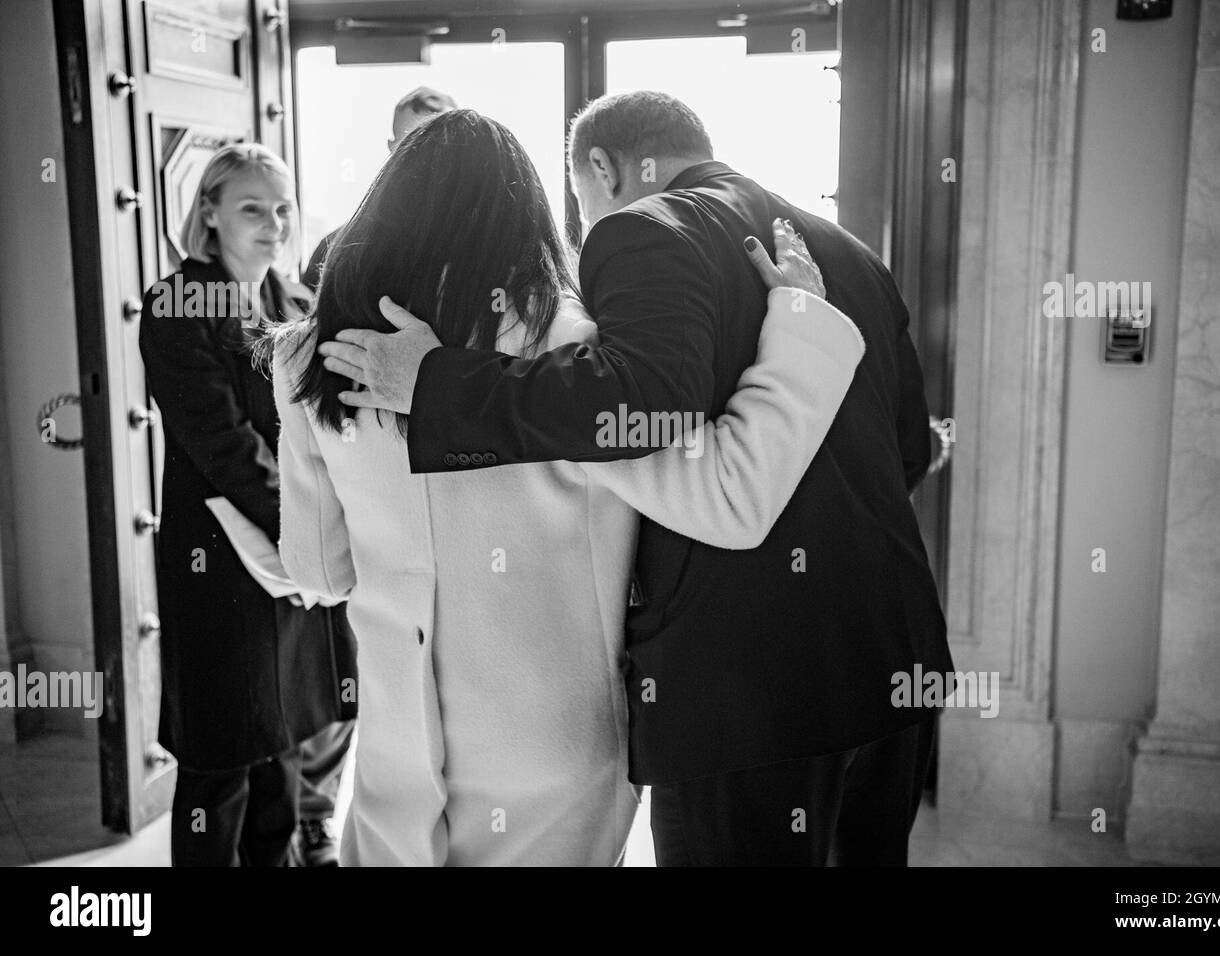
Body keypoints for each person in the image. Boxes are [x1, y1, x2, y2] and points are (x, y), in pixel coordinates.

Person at [321, 91, 954, 866]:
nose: (580, 227)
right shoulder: (847, 251)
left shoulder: (642, 228)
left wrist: (437, 385)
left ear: (602, 167)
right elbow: (909, 450)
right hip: (891, 662)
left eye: (581, 204)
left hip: (746, 691)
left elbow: (632, 399)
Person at [138, 143, 357, 866]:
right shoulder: (178, 303)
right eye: (252, 208)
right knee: (221, 754)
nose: (275, 222)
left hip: (291, 554)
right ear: (209, 213)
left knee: (285, 747)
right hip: (220, 557)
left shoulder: (294, 302)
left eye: (284, 207)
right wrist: (301, 532)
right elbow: (222, 442)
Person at [291, 85, 456, 868]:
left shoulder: (510, 280)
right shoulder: (339, 256)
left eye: (424, 143)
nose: (407, 162)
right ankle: (311, 816)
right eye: (398, 146)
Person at [301, 87, 458, 289]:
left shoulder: (492, 245)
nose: (428, 161)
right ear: (393, 149)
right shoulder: (337, 249)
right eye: (413, 145)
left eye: (442, 146)